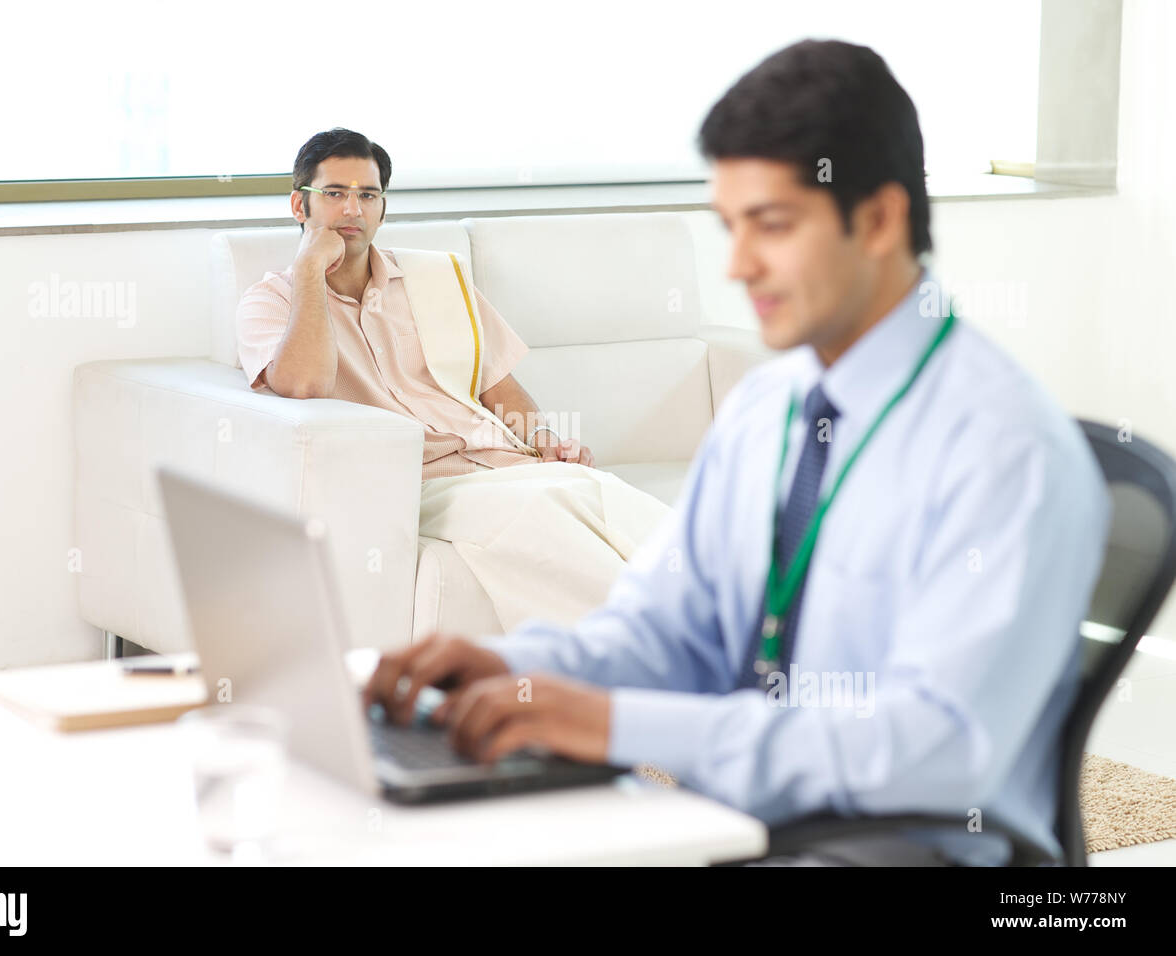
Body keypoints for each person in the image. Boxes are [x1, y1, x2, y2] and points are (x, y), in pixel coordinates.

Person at [364, 39, 1111, 866]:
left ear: (879, 219)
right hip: (733, 827)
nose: (739, 263)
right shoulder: (771, 408)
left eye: (773, 225)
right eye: (731, 226)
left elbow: (931, 750)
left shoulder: (1003, 447)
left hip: (899, 850)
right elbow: (667, 631)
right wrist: (513, 667)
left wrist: (617, 724)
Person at [235, 129, 670, 632]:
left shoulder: (435, 280)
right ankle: (647, 646)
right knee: (542, 509)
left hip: (504, 463)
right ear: (299, 205)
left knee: (603, 493)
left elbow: (498, 388)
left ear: (382, 208)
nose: (352, 210)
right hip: (423, 482)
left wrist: (547, 441)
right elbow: (305, 385)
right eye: (334, 194)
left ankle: (728, 627)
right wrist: (310, 270)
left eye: (368, 195)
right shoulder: (271, 303)